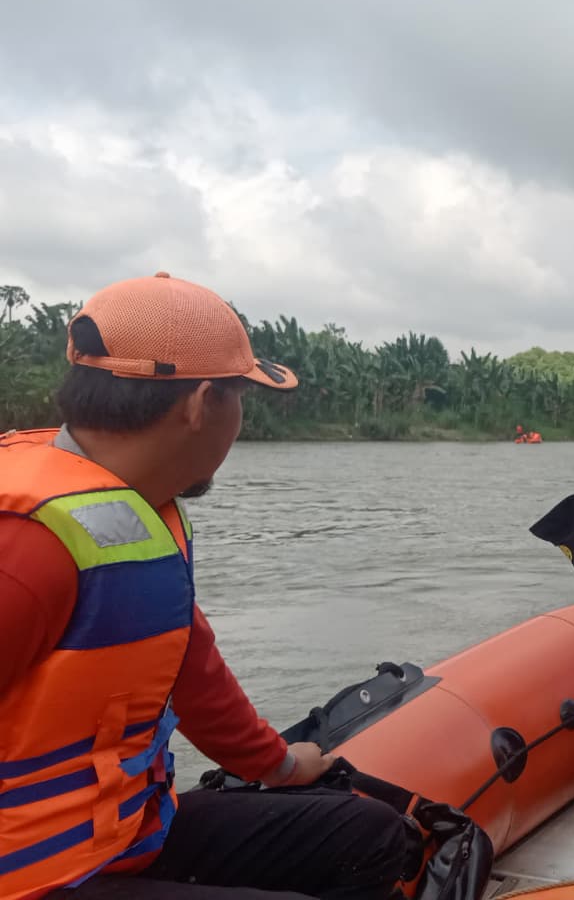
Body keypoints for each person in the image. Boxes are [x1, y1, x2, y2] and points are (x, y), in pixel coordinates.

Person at [0, 273, 408, 899]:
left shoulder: (143, 514)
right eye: (241, 398)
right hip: (34, 877)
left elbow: (193, 674)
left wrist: (276, 764)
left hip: (129, 835)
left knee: (371, 835)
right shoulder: (27, 542)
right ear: (201, 405)